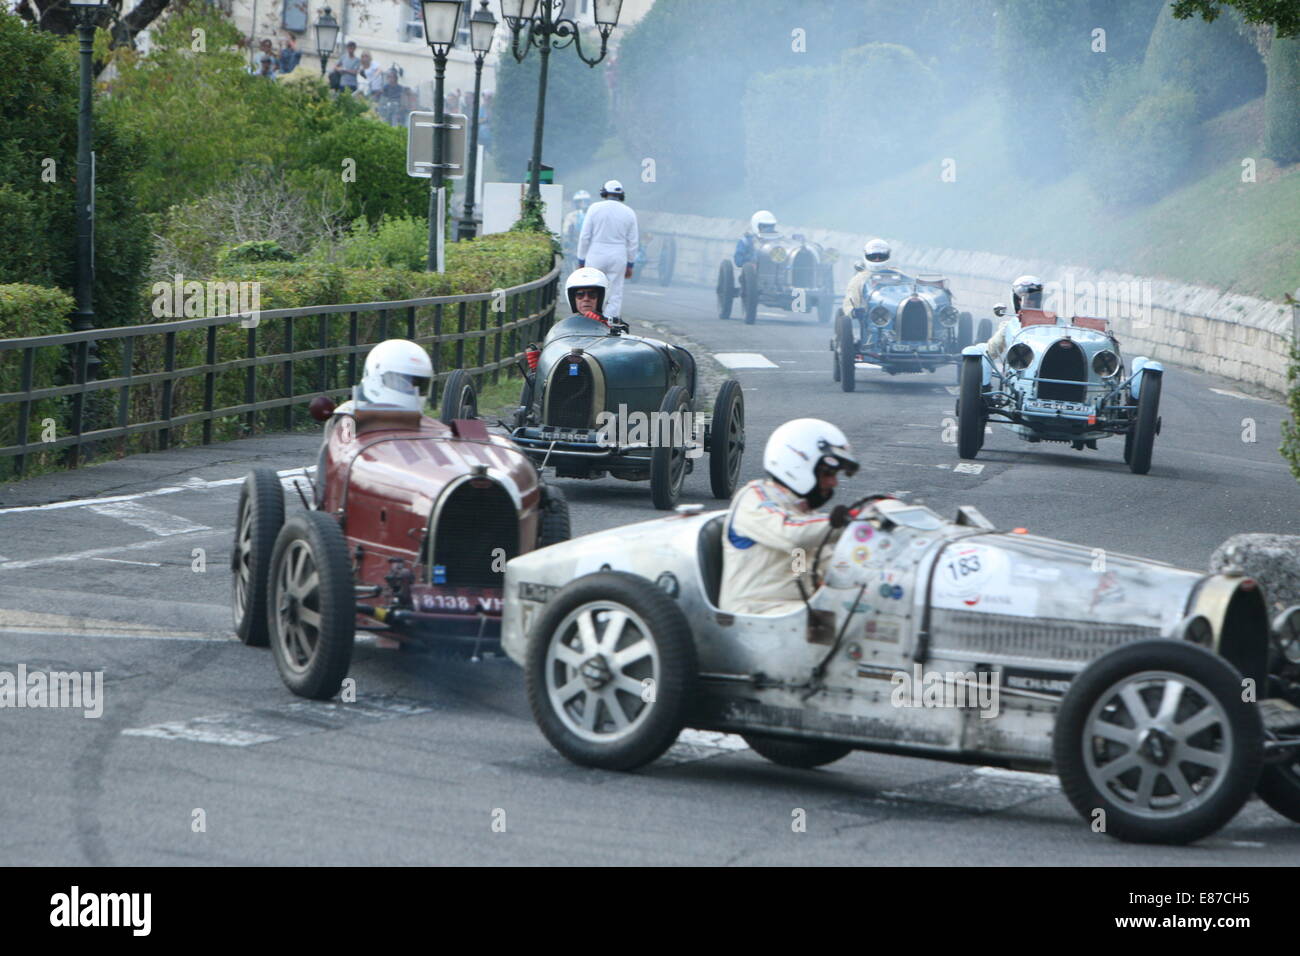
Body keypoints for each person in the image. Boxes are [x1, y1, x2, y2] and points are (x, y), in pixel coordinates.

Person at [719, 419, 860, 616]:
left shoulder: (801, 513)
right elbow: (790, 534)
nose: (834, 482)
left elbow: (805, 564)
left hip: (793, 611)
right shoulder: (753, 497)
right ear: (796, 464)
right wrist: (851, 521)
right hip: (755, 613)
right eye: (828, 473)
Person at [577, 180, 638, 324]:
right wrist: (630, 264)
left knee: (591, 288)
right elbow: (633, 242)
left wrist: (581, 259)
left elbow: (585, 236)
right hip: (618, 254)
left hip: (596, 253)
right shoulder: (629, 212)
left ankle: (590, 320)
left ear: (604, 193)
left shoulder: (594, 208)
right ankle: (610, 323)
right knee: (615, 291)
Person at [984, 274, 1045, 360]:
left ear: (1038, 300)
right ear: (1016, 300)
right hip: (1016, 365)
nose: (1026, 301)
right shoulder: (1011, 325)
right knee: (980, 351)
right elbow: (992, 351)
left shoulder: (1052, 323)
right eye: (1021, 298)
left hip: (1045, 363)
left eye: (1032, 298)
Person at [839, 238, 895, 319]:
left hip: (894, 313)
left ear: (888, 256)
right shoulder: (859, 279)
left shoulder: (897, 274)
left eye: (881, 256)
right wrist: (853, 312)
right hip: (870, 316)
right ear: (866, 256)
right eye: (873, 256)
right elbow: (849, 301)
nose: (877, 259)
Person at [562, 190, 592, 264]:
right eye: (579, 201)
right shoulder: (571, 216)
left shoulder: (593, 215)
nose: (582, 203)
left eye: (585, 201)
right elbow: (566, 232)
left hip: (590, 247)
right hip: (574, 247)